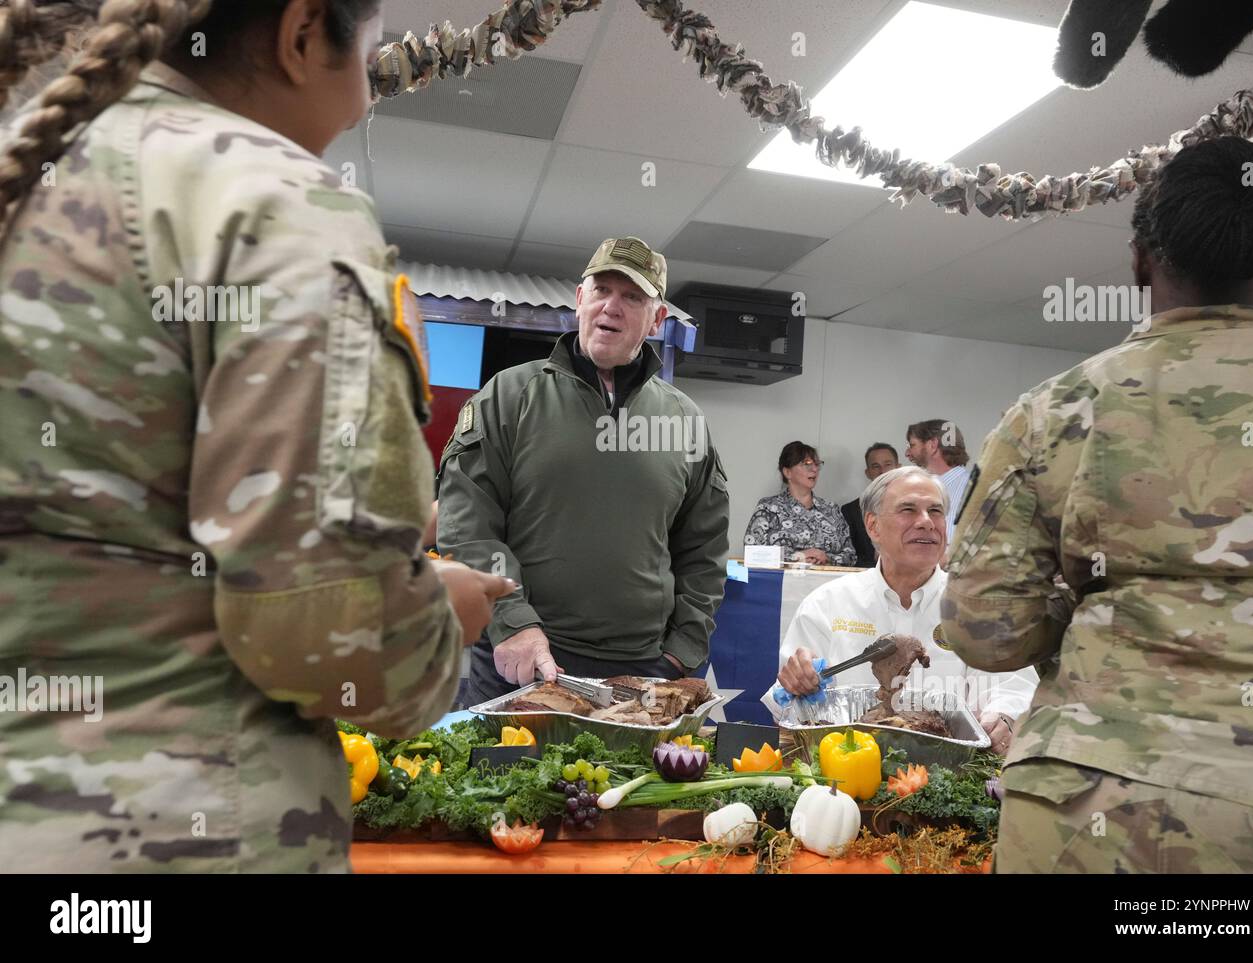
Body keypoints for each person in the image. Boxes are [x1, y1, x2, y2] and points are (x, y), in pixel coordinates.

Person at [0, 0, 513, 873]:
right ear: (303, 32)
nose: (362, 103)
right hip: (179, 830)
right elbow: (323, 625)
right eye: (370, 58)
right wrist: (442, 621)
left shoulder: (36, 171)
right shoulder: (272, 200)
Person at [941, 136, 1253, 873]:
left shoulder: (1055, 409)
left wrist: (1084, 606)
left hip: (1083, 805)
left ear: (1139, 261)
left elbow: (984, 631)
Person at [437, 236, 731, 704]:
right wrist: (512, 621)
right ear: (580, 300)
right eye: (601, 290)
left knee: (630, 781)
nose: (611, 307)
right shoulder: (510, 396)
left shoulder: (685, 420)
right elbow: (468, 523)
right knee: (507, 778)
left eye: (632, 296)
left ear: (656, 319)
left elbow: (705, 548)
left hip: (643, 672)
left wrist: (683, 649)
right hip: (524, 660)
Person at [766, 468, 1035, 750]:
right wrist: (794, 682)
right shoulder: (827, 604)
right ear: (872, 526)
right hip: (846, 776)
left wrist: (1004, 716)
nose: (926, 522)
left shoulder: (980, 608)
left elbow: (1015, 686)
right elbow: (785, 708)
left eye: (936, 511)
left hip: (951, 775)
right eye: (908, 509)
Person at [744, 441, 856, 566]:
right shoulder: (768, 508)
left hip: (828, 583)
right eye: (807, 464)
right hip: (781, 583)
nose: (814, 469)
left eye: (817, 464)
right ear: (787, 472)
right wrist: (796, 557)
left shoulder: (831, 509)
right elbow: (752, 553)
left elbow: (850, 555)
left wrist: (826, 558)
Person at [905, 419, 970, 541]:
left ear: (932, 445)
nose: (907, 453)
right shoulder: (922, 488)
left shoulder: (972, 488)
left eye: (912, 445)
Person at [841, 443, 899, 568]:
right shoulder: (850, 511)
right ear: (868, 473)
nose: (882, 471)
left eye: (888, 464)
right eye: (875, 466)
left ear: (898, 468)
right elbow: (848, 557)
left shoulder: (915, 507)